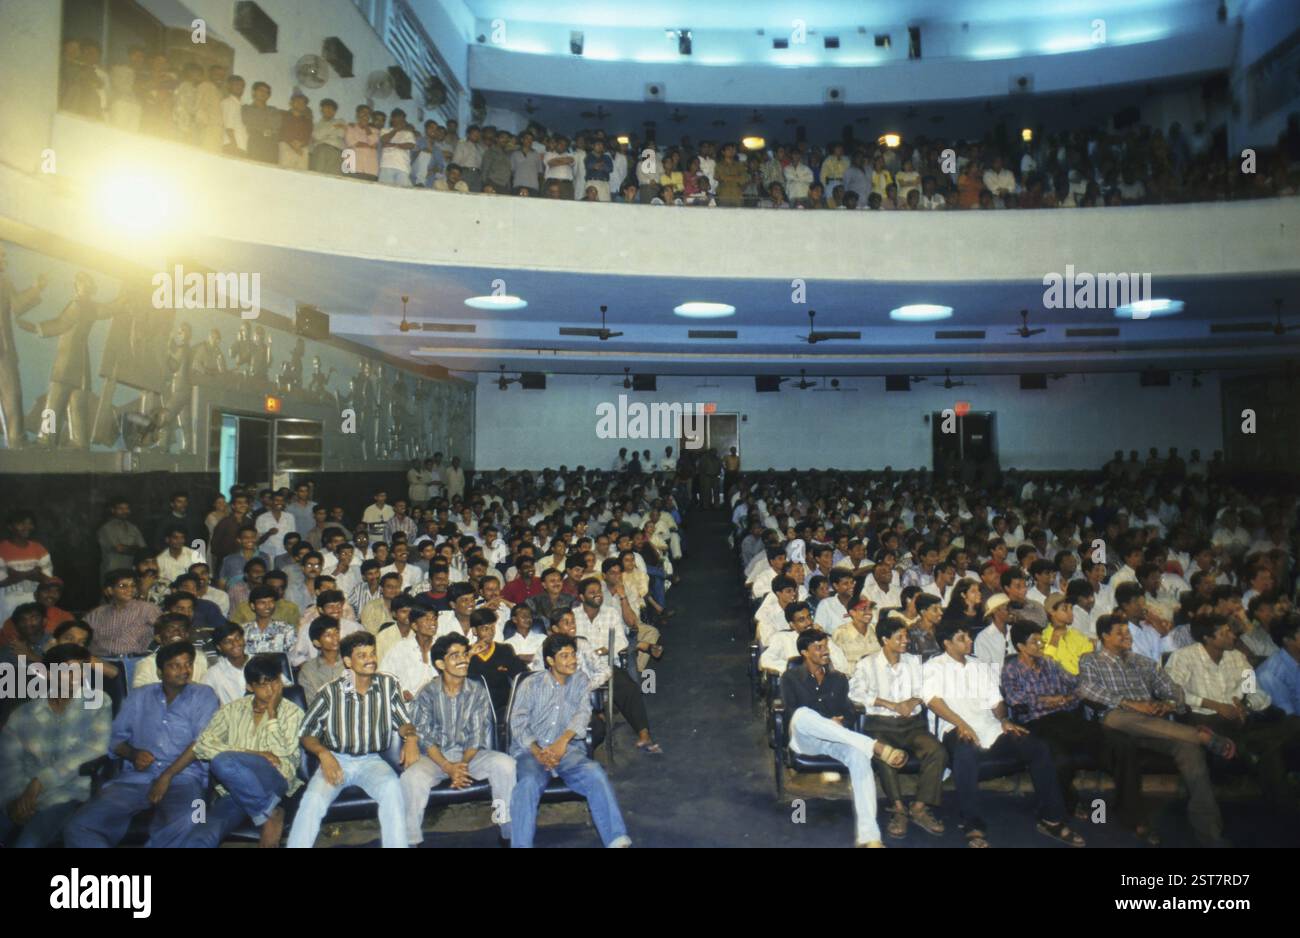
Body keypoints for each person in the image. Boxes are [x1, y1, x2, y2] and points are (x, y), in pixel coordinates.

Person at [922, 620, 1084, 847]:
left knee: (1037, 747)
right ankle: (973, 823)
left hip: (990, 727)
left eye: (969, 636)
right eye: (962, 638)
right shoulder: (933, 666)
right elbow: (933, 701)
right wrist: (961, 724)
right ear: (947, 643)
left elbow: (997, 701)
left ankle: (1052, 819)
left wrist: (1004, 719)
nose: (970, 641)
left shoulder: (979, 665)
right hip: (954, 727)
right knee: (965, 753)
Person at [1078, 614, 1233, 847]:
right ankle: (1199, 736)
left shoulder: (1143, 663)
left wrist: (1167, 705)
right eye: (1120, 632)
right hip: (1117, 723)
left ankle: (1210, 835)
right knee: (1116, 718)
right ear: (1104, 637)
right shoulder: (1091, 660)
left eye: (1128, 632)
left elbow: (1176, 693)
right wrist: (1130, 703)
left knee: (1190, 752)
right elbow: (1087, 690)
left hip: (1154, 726)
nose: (1127, 637)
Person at [1001, 621, 1152, 842]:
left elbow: (1077, 686)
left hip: (1066, 719)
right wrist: (1049, 700)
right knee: (1058, 759)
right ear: (1021, 646)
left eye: (1041, 639)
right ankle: (1063, 808)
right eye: (1035, 641)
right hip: (1036, 724)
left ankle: (1131, 813)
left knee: (1122, 743)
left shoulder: (1050, 664)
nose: (1041, 643)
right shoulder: (1011, 670)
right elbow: (1018, 703)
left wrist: (1066, 699)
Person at [63, 642, 220, 847]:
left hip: (186, 778)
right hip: (136, 778)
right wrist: (132, 753)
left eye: (188, 664)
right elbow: (114, 739)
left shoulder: (204, 695)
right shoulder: (139, 696)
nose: (185, 671)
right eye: (175, 665)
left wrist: (167, 775)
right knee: (80, 825)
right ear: (159, 671)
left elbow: (202, 742)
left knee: (194, 820)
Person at [288, 632, 420, 848]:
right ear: (348, 662)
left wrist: (411, 738)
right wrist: (324, 754)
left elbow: (404, 722)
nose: (370, 659)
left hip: (372, 761)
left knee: (392, 791)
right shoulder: (330, 692)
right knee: (312, 801)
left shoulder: (388, 686)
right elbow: (306, 732)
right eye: (362, 655)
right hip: (336, 759)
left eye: (372, 653)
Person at [781, 629, 907, 847]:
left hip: (835, 740)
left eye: (825, 646)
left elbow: (848, 712)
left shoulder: (838, 679)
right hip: (805, 739)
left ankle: (870, 837)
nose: (825, 651)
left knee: (859, 756)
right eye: (818, 647)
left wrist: (841, 721)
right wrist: (828, 722)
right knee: (803, 714)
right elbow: (791, 713)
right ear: (804, 652)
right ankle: (875, 746)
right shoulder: (790, 677)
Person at [1166, 614, 1300, 812]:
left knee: (1294, 723)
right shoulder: (1184, 657)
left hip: (1239, 719)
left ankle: (1248, 746)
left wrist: (1247, 704)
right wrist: (1214, 704)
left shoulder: (1237, 657)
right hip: (1204, 719)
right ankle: (1285, 802)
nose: (1233, 636)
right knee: (1266, 745)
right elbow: (1171, 692)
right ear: (1208, 638)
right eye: (1225, 632)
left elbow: (1253, 689)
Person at [508, 634, 631, 848]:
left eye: (573, 654)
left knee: (595, 774)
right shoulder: (531, 684)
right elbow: (518, 722)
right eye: (564, 656)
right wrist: (539, 752)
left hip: (567, 749)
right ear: (550, 661)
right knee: (526, 785)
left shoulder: (581, 680)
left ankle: (617, 840)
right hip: (531, 751)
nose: (572, 659)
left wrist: (562, 743)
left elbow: (583, 715)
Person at [401, 634, 517, 846]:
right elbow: (426, 739)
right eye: (455, 656)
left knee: (506, 765)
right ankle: (412, 841)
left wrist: (460, 766)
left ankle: (506, 832)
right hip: (435, 758)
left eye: (465, 654)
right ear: (440, 663)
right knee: (410, 779)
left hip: (470, 756)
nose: (463, 659)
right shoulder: (427, 693)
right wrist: (447, 767)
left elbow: (477, 737)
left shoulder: (478, 691)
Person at [187, 654, 304, 848]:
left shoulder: (293, 712)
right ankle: (269, 813)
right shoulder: (231, 710)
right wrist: (255, 753)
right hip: (236, 790)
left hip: (275, 779)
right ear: (250, 687)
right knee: (198, 839)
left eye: (275, 682)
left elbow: (281, 754)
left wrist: (273, 714)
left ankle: (266, 812)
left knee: (222, 762)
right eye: (263, 685)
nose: (272, 690)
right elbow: (202, 744)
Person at [0, 645, 111, 847]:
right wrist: (13, 800)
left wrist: (39, 783)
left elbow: (91, 751)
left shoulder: (98, 702)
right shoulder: (24, 714)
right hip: (21, 793)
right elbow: (8, 763)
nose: (77, 678)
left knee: (26, 844)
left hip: (67, 793)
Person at [848, 616, 947, 839]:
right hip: (881, 726)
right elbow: (854, 692)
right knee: (885, 753)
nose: (905, 641)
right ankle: (899, 809)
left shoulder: (913, 661)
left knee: (937, 751)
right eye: (899, 637)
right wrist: (890, 704)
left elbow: (927, 687)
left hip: (913, 725)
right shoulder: (867, 664)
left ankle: (920, 807)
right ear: (884, 639)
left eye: (906, 636)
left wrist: (911, 702)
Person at [466, 608, 528, 716]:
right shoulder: (465, 652)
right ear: (475, 631)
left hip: (503, 708)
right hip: (474, 708)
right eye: (485, 629)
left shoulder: (504, 650)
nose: (490, 632)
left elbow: (522, 675)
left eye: (492, 627)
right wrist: (469, 656)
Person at [298, 616, 345, 705]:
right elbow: (311, 703)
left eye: (336, 632)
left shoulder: (350, 662)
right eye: (328, 635)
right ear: (317, 642)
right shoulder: (308, 670)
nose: (335, 638)